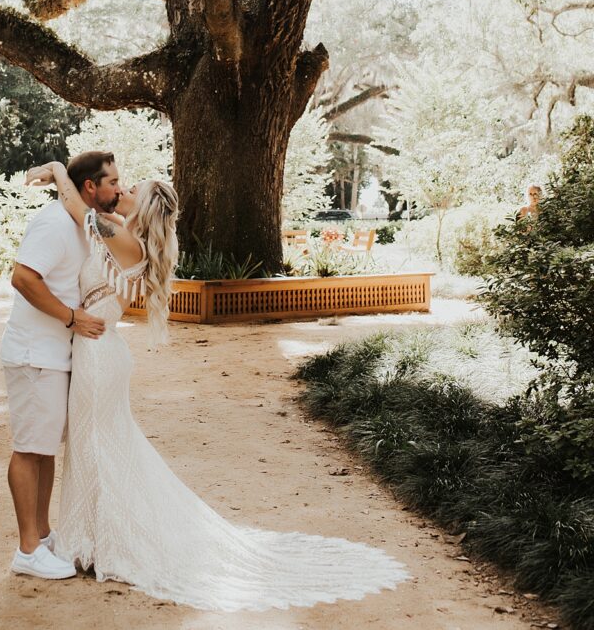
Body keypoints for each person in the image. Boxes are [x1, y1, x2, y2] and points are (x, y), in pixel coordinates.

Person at [29, 159, 408, 613]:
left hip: (97, 356)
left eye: (130, 189)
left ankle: (94, 542)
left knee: (95, 447)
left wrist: (56, 168)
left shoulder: (121, 238)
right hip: (99, 352)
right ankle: (86, 537)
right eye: (120, 185)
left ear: (141, 207)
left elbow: (78, 208)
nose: (121, 190)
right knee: (101, 445)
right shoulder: (123, 234)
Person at [0, 150, 122, 579]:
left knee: (45, 448)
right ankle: (27, 550)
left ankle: (44, 535)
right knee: (30, 449)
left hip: (57, 355)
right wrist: (72, 318)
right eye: (111, 182)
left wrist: (55, 171)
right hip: (34, 354)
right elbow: (22, 278)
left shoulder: (82, 223)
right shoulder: (53, 223)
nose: (119, 189)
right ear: (90, 187)